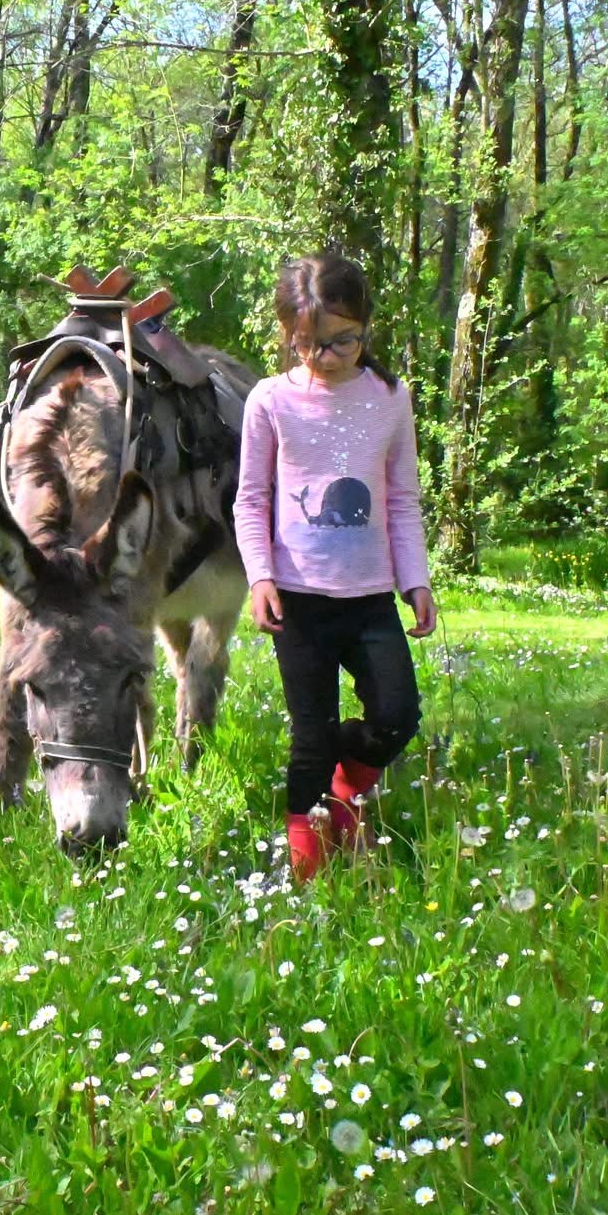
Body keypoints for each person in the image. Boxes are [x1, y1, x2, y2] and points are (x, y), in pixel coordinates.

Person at [231, 255, 437, 881]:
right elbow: (252, 498)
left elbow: (401, 496)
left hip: (370, 597)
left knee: (398, 715)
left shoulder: (389, 398)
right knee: (310, 735)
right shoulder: (271, 400)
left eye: (343, 340)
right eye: (310, 344)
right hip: (298, 599)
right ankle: (307, 871)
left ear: (366, 326)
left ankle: (343, 800)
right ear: (289, 336)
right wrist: (260, 576)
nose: (326, 356)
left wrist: (416, 579)